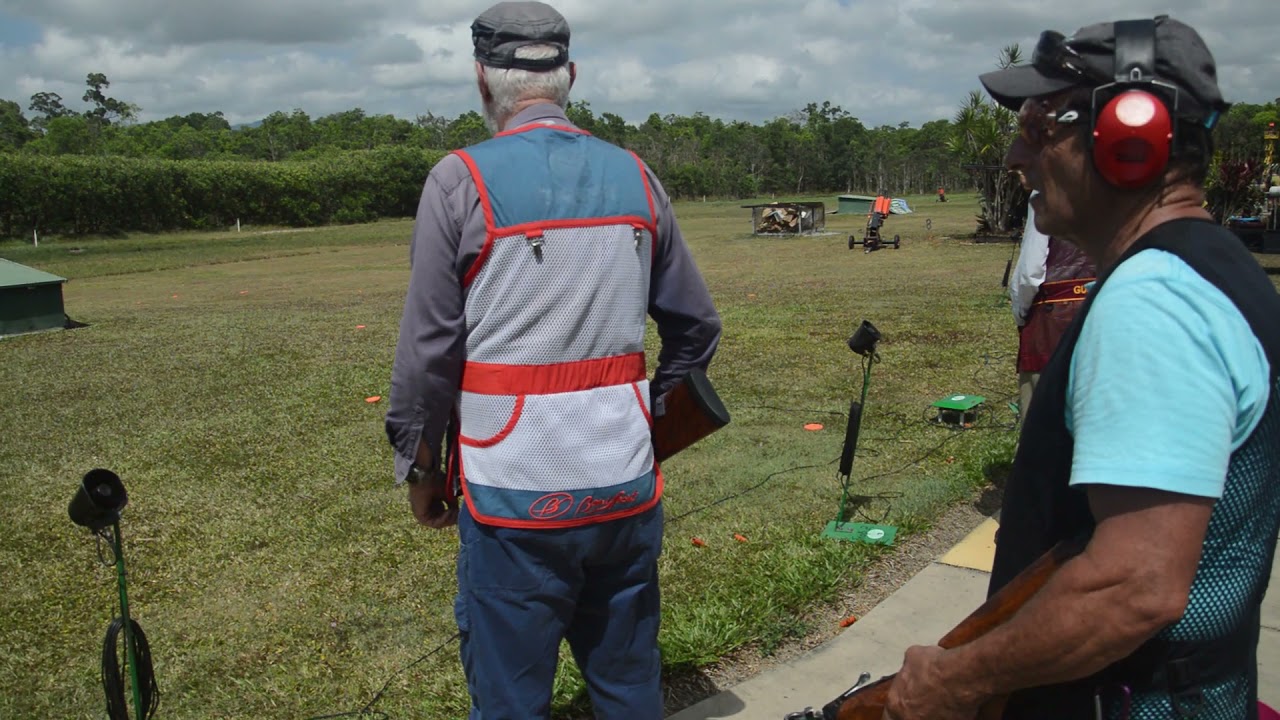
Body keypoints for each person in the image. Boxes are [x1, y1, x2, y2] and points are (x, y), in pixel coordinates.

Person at [883, 15, 1280, 720]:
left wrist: (957, 679)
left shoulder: (1152, 302)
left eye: (1042, 129)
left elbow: (1132, 584)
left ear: (1133, 136)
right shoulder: (1214, 268)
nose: (1016, 155)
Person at [383, 2, 722, 718]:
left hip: (513, 496)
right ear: (569, 76)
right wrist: (646, 420)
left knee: (510, 699)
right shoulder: (636, 175)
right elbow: (695, 329)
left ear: (482, 82)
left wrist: (420, 470)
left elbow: (428, 357)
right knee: (629, 688)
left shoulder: (458, 182)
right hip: (625, 487)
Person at [1008, 191, 1095, 421]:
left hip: (1052, 321)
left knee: (1041, 421)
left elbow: (1030, 272)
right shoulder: (1121, 183)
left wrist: (1020, 312)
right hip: (1103, 312)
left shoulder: (1047, 188)